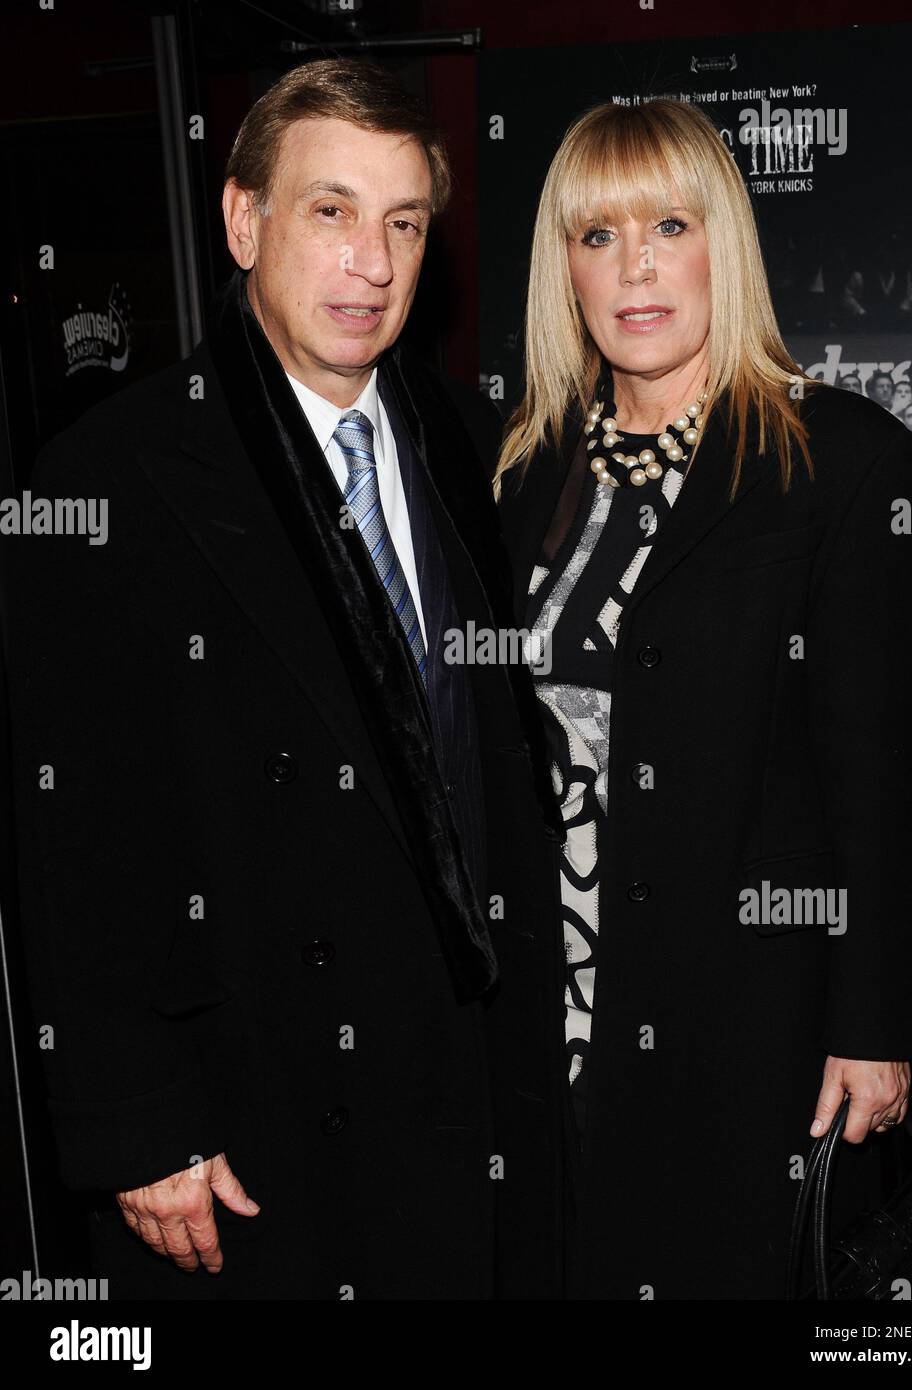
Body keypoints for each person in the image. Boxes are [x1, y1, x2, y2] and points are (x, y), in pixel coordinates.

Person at [5, 58, 565, 1300]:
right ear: (243, 219)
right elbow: (68, 836)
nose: (371, 261)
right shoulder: (106, 479)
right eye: (331, 211)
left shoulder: (465, 439)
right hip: (254, 1100)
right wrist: (136, 1125)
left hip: (463, 1071)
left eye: (403, 222)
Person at [494, 97, 912, 1299]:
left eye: (668, 225)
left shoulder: (835, 461)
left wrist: (872, 1020)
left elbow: (869, 774)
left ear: (720, 245)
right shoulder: (521, 472)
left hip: (754, 1021)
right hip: (552, 1017)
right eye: (596, 236)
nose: (632, 266)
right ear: (563, 267)